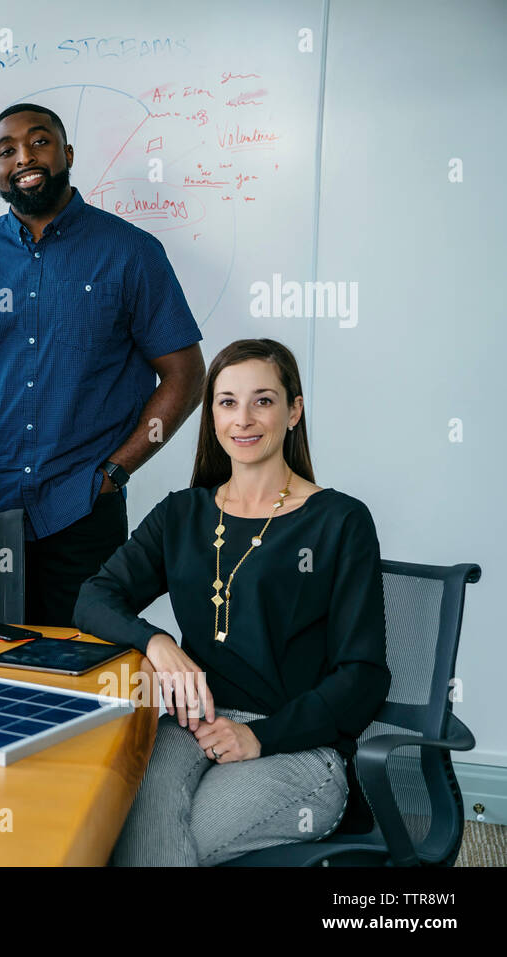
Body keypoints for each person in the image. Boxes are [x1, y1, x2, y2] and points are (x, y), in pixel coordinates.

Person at [74, 339, 391, 866]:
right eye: (226, 402)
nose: (243, 419)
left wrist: (258, 736)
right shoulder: (183, 514)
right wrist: (157, 643)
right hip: (191, 727)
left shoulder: (340, 520)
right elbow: (95, 598)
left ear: (294, 410)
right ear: (211, 415)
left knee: (162, 847)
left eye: (263, 400)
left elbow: (363, 675)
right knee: (119, 832)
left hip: (297, 746)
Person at [0, 101, 206, 627]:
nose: (24, 157)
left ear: (67, 153)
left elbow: (185, 375)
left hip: (83, 510)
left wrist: (116, 470)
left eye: (39, 141)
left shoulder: (131, 253)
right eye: (7, 151)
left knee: (83, 671)